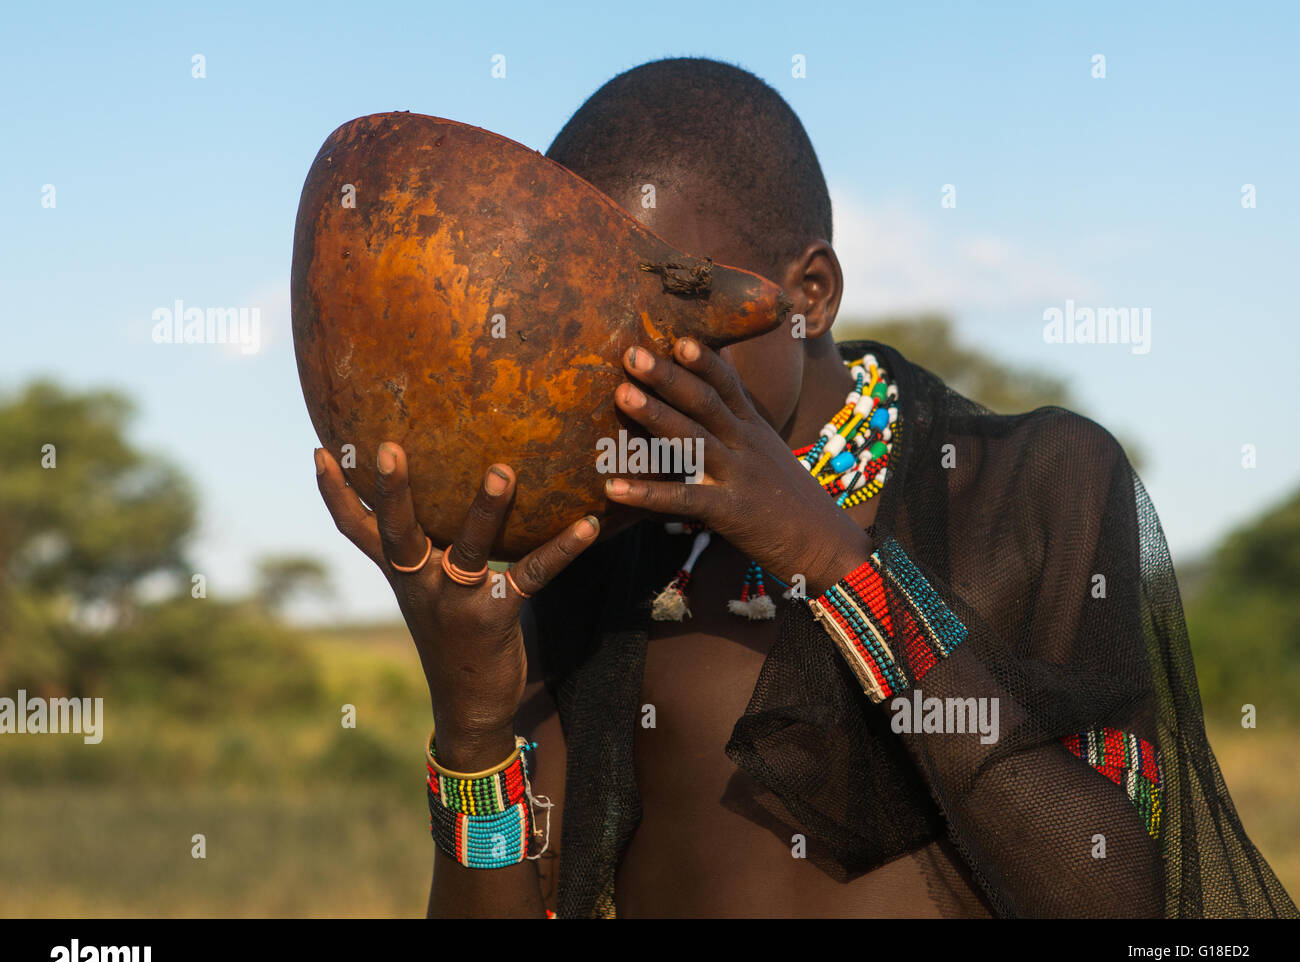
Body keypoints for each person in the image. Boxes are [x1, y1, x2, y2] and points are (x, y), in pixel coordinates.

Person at [312, 58, 1296, 918]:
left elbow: (1117, 898)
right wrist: (475, 726)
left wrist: (828, 559)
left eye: (668, 293)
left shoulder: (1033, 483)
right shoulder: (599, 547)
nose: (623, 344)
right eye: (583, 305)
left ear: (809, 293)